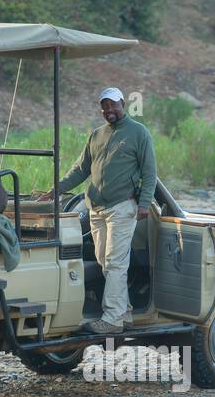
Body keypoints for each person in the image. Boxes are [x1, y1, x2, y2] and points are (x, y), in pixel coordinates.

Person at [37, 87, 156, 335]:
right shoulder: (96, 135)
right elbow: (80, 169)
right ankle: (124, 311)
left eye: (113, 105)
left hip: (123, 207)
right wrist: (55, 190)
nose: (109, 110)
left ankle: (112, 318)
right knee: (104, 261)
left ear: (123, 104)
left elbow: (149, 172)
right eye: (104, 106)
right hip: (96, 208)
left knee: (114, 262)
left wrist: (144, 203)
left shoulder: (139, 133)